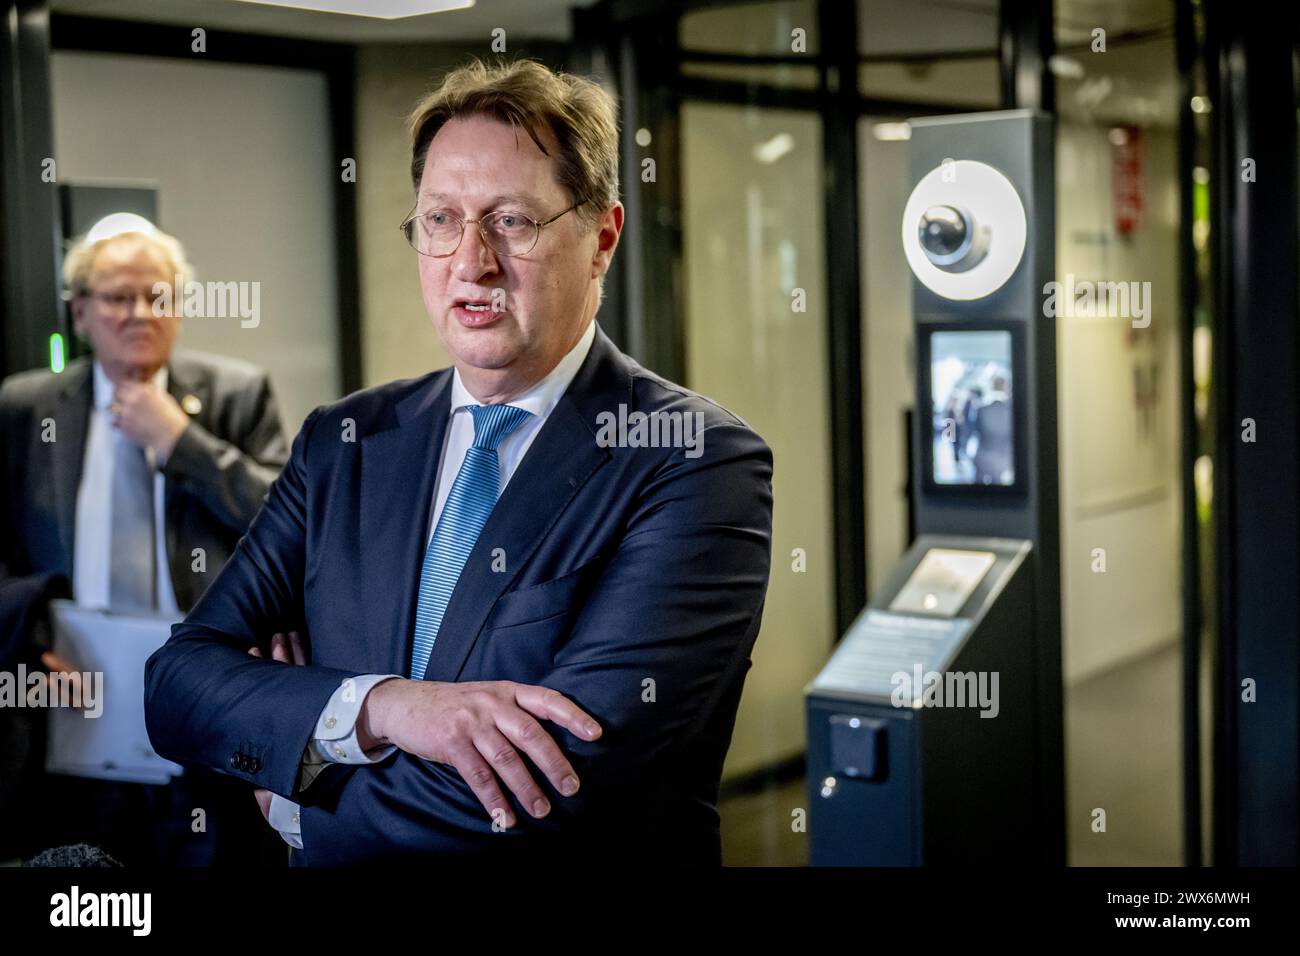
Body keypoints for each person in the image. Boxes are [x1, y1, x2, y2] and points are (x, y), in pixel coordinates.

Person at [144, 57, 774, 865]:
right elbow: (178, 686)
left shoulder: (692, 461)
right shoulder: (344, 443)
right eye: (441, 219)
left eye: (511, 220)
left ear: (603, 239)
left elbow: (562, 784)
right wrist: (384, 707)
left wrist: (298, 796)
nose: (470, 262)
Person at [0, 224, 290, 865]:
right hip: (74, 703)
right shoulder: (28, 406)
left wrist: (182, 442)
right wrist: (25, 639)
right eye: (117, 298)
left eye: (158, 297)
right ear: (79, 310)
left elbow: (289, 526)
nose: (139, 315)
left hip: (203, 698)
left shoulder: (234, 396)